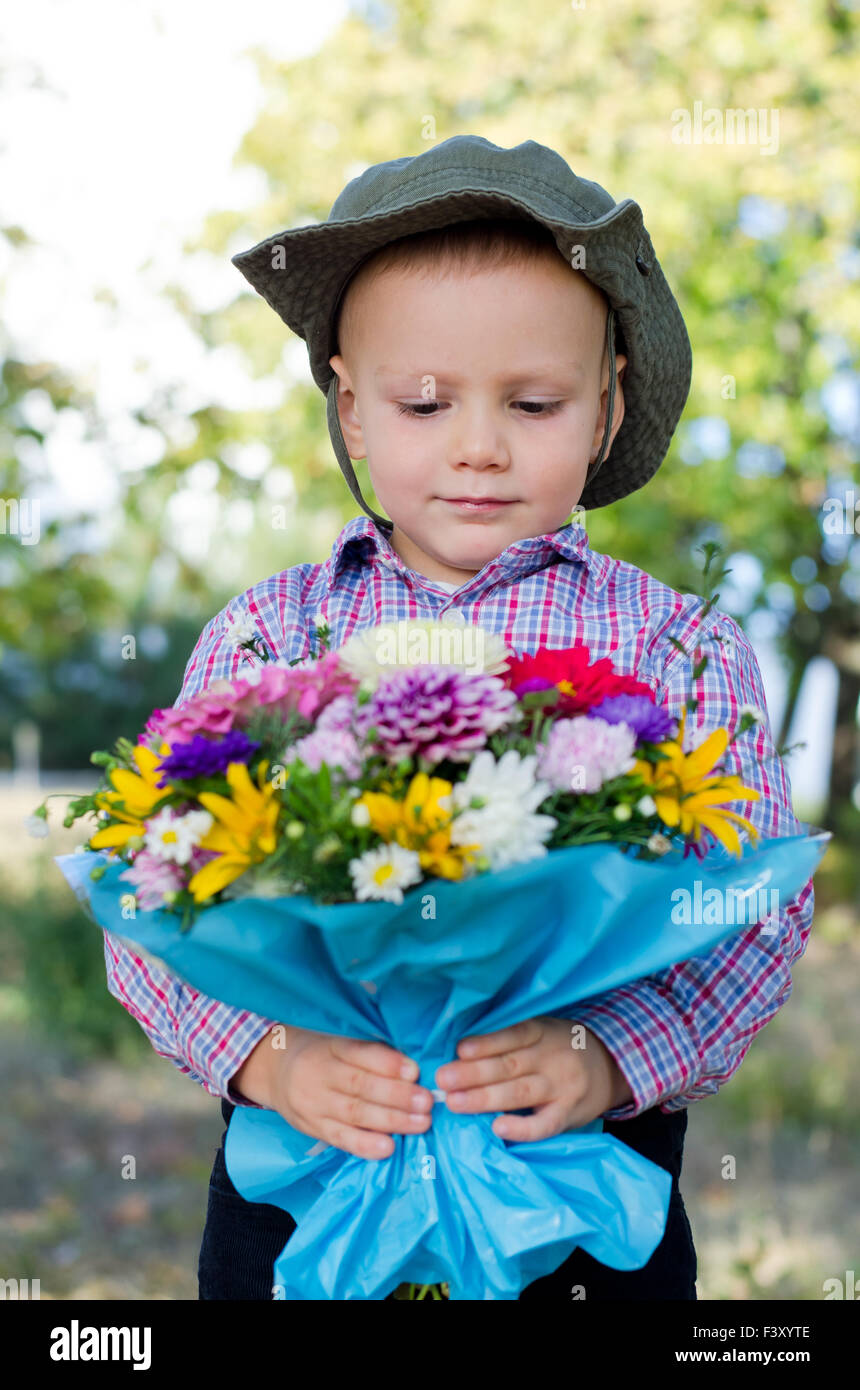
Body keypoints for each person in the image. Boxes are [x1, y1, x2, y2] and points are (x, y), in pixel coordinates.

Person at [102, 135, 814, 1301]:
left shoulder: (677, 647)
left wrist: (609, 1056)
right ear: (351, 411)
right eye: (424, 401)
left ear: (603, 407)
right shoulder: (267, 638)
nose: (478, 444)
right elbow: (150, 889)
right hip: (317, 1164)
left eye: (532, 401)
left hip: (573, 1171)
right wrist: (269, 1058)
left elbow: (746, 910)